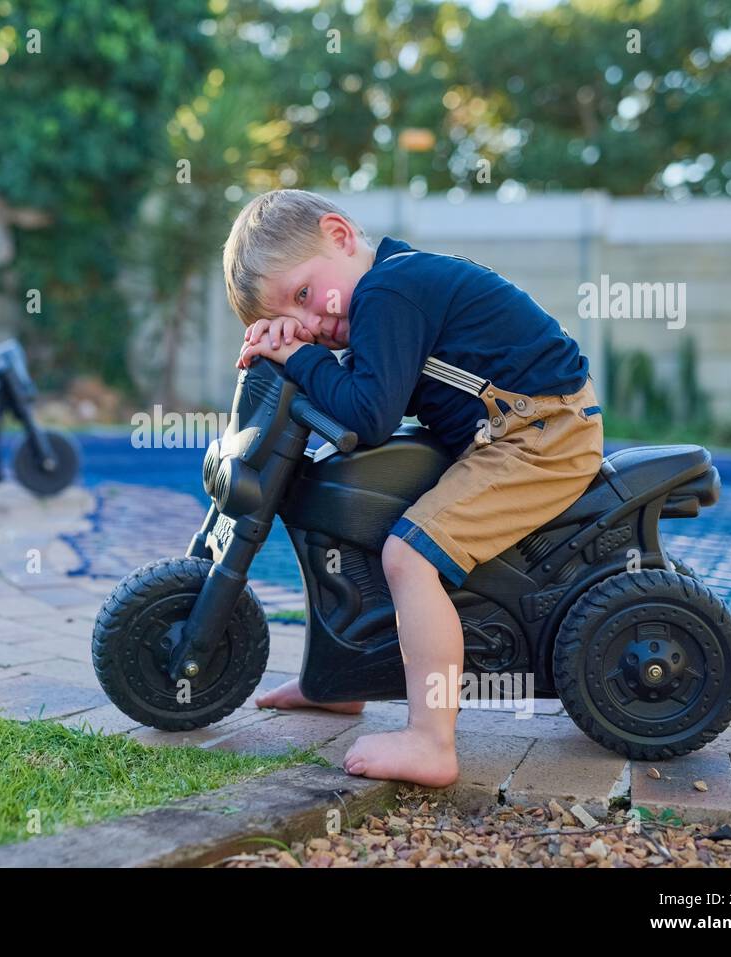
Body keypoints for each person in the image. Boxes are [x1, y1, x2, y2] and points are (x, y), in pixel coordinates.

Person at [224, 189, 604, 785]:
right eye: (300, 325)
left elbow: (369, 416)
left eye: (305, 295)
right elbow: (364, 403)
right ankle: (339, 680)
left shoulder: (387, 291)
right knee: (360, 519)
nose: (316, 325)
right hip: (507, 432)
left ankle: (431, 740)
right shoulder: (384, 293)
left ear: (341, 236)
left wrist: (297, 356)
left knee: (406, 556)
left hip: (541, 433)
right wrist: (303, 354)